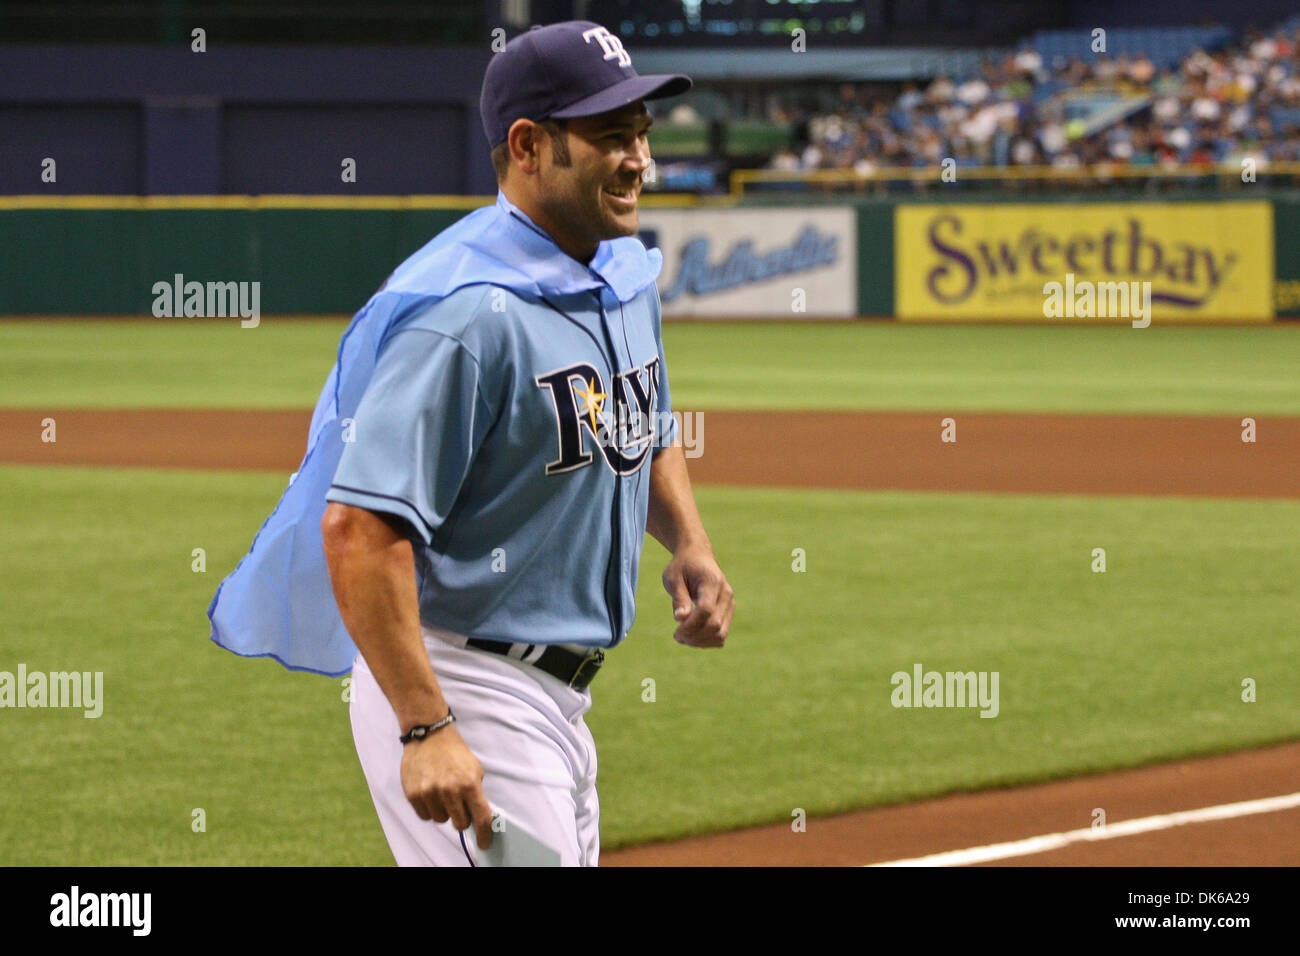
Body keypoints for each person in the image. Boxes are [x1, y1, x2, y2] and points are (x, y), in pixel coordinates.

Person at [207, 20, 734, 867]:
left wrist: (690, 541)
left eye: (640, 132)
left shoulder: (619, 269)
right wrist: (426, 725)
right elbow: (358, 529)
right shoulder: (464, 314)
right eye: (609, 135)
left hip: (557, 701)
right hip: (462, 680)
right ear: (528, 146)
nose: (639, 158)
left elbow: (647, 417)